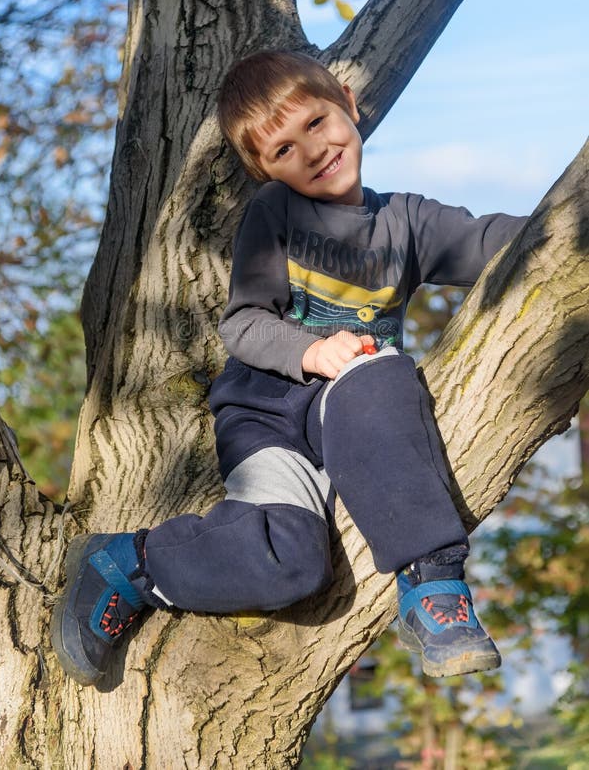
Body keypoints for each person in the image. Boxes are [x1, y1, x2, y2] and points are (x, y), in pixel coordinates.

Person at [51, 50, 526, 687]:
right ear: (263, 171)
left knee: (382, 372)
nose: (311, 149)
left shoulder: (407, 221)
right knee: (291, 565)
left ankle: (432, 587)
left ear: (351, 109)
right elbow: (242, 323)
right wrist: (310, 351)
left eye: (317, 121)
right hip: (269, 416)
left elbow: (506, 241)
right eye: (282, 149)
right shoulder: (276, 215)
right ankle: (132, 566)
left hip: (353, 414)